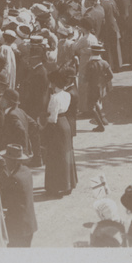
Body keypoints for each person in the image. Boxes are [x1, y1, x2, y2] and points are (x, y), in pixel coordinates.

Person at [43, 69, 78, 198]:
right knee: (66, 154)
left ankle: (56, 187)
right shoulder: (66, 94)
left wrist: (42, 120)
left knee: (55, 156)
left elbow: (52, 118)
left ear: (54, 83)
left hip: (56, 126)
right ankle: (68, 184)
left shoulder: (55, 98)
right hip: (66, 124)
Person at [0, 144, 37, 247]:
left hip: (18, 228)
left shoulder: (13, 179)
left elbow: (6, 201)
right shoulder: (27, 171)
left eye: (6, 159)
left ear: (13, 161)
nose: (5, 162)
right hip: (29, 224)